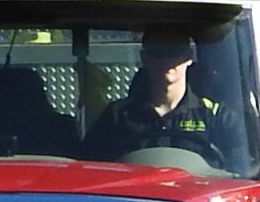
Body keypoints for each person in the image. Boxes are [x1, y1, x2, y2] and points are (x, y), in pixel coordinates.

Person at [81, 35, 244, 168]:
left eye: (174, 52)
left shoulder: (217, 116)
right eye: (156, 53)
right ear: (144, 58)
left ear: (189, 57)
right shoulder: (117, 116)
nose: (165, 60)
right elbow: (90, 168)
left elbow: (241, 172)